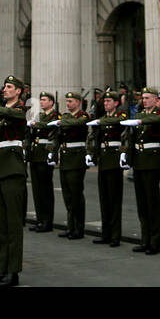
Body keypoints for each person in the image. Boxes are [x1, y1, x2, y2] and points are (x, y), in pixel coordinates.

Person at [0, 75, 28, 286]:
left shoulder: (19, 108)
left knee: (13, 224)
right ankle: (2, 267)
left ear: (18, 91)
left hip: (12, 169)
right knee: (1, 224)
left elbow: (9, 113)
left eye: (9, 87)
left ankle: (13, 270)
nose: (5, 89)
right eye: (5, 86)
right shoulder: (2, 111)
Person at [122, 85, 160, 255]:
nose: (145, 100)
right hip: (139, 162)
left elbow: (158, 122)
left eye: (148, 98)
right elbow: (133, 140)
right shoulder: (140, 115)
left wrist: (140, 121)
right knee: (142, 204)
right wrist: (128, 158)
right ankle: (145, 239)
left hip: (152, 161)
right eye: (143, 98)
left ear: (156, 100)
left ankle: (155, 242)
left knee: (152, 203)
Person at [88, 89, 127, 246]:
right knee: (104, 198)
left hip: (114, 159)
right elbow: (95, 113)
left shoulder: (120, 115)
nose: (105, 104)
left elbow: (117, 124)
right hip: (104, 159)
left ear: (116, 103)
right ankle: (106, 233)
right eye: (104, 101)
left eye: (109, 101)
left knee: (114, 199)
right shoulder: (102, 117)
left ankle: (115, 235)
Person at [53, 91, 90, 239]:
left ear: (78, 102)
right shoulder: (65, 117)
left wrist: (62, 122)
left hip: (76, 157)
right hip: (66, 157)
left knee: (76, 194)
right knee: (67, 194)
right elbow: (59, 135)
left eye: (71, 101)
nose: (68, 104)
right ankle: (70, 226)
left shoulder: (83, 115)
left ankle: (78, 228)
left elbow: (77, 124)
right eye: (67, 101)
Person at [27, 92, 59, 233]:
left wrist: (36, 124)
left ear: (52, 102)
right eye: (41, 100)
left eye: (45, 100)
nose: (42, 102)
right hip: (36, 154)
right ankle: (40, 219)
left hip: (45, 154)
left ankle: (47, 221)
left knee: (45, 189)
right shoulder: (40, 116)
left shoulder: (54, 116)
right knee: (37, 190)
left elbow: (50, 129)